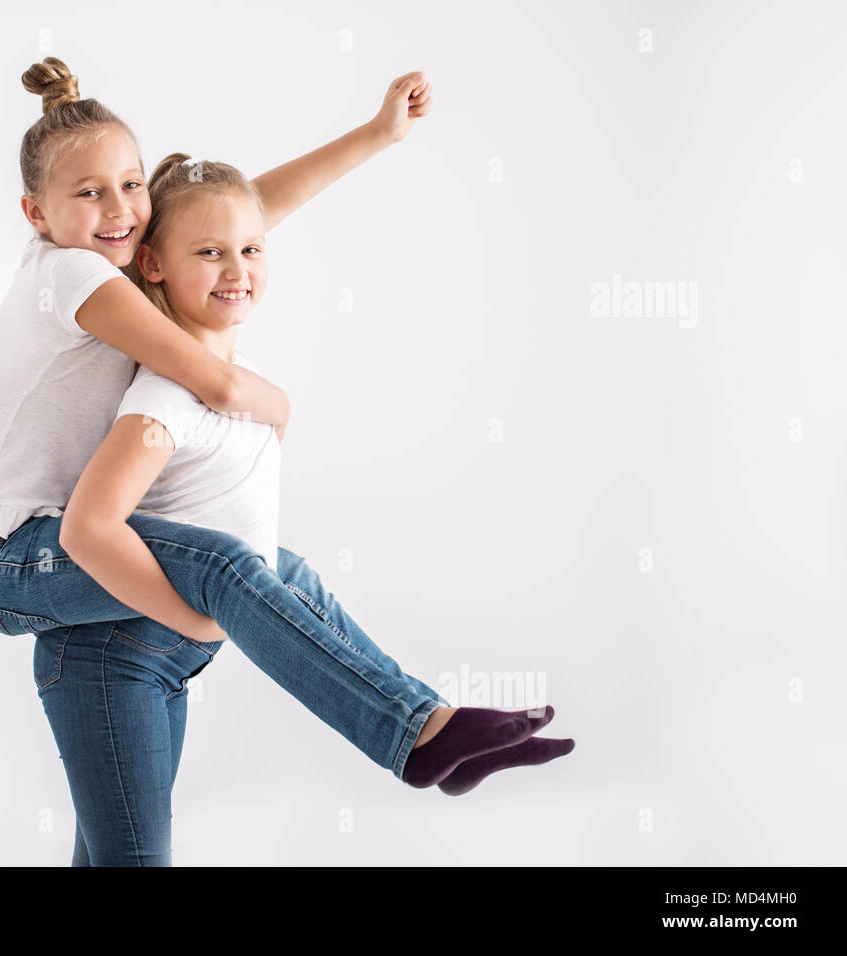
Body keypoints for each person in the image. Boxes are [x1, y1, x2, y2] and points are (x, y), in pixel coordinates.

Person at [34, 153, 576, 865]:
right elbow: (93, 523)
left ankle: (432, 728)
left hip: (161, 656)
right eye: (209, 253)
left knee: (292, 576)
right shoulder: (165, 398)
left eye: (251, 250)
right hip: (110, 657)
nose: (236, 270)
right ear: (154, 266)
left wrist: (384, 132)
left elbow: (248, 213)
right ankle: (418, 735)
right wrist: (207, 615)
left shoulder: (243, 383)